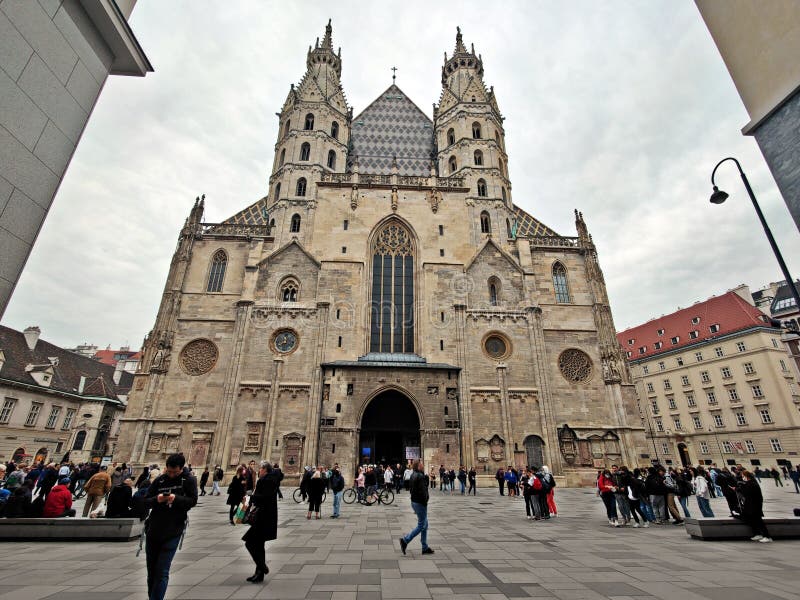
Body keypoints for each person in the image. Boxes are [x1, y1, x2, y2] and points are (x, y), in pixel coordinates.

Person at [143, 453, 198, 600]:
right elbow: (145, 501)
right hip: (154, 530)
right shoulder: (160, 480)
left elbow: (192, 501)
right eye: (169, 471)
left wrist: (176, 498)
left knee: (162, 571)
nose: (172, 474)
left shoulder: (188, 480)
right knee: (151, 572)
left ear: (181, 468)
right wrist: (158, 499)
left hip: (174, 530)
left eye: (175, 472)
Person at [242, 461, 278, 583]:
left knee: (249, 543)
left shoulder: (265, 481)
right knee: (259, 545)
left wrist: (250, 497)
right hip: (267, 516)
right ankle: (259, 574)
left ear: (265, 470)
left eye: (261, 469)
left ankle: (263, 567)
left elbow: (264, 498)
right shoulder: (272, 480)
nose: (259, 471)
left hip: (262, 517)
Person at [399, 460, 433, 555]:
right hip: (420, 503)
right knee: (421, 525)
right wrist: (425, 501)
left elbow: (411, 489)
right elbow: (423, 491)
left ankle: (424, 547)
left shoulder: (413, 475)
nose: (423, 465)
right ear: (418, 466)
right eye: (421, 464)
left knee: (425, 524)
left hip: (414, 501)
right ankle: (405, 540)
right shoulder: (420, 476)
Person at [736, 470, 771, 543]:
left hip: (754, 505)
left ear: (747, 476)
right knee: (752, 520)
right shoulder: (750, 483)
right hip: (751, 505)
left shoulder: (752, 483)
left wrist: (739, 489)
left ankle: (767, 536)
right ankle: (758, 534)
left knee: (759, 521)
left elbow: (747, 492)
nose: (742, 478)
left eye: (743, 476)